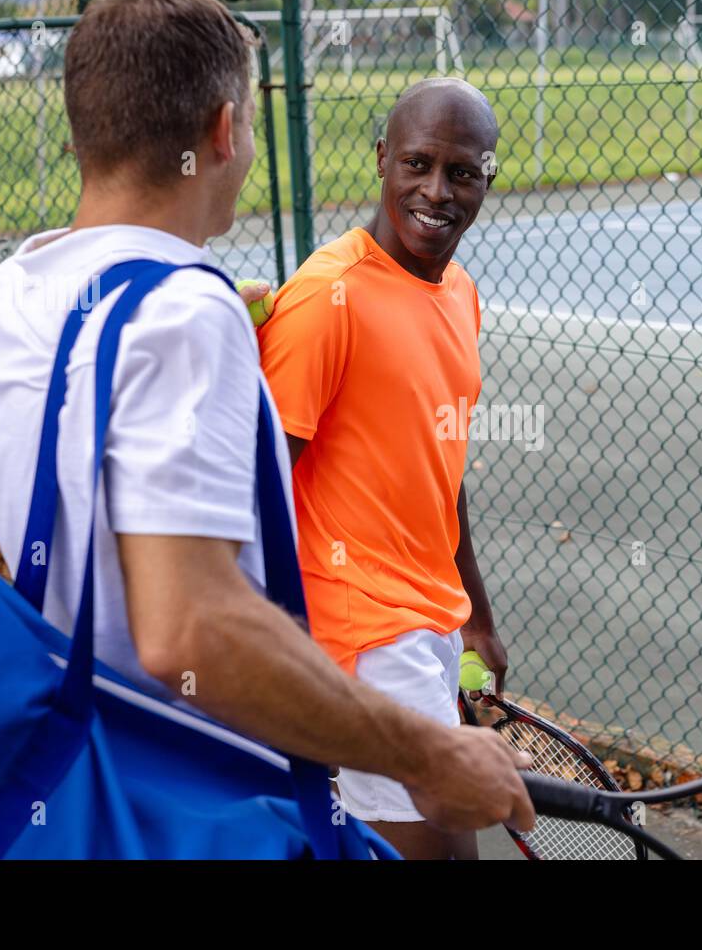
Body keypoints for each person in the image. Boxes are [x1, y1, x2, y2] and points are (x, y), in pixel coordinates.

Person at [0, 0, 532, 851]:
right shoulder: (184, 319)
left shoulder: (19, 291)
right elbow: (190, 630)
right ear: (225, 131)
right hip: (192, 774)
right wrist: (429, 749)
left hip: (86, 753)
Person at [253, 77, 507, 859]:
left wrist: (475, 612)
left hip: (427, 619)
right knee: (442, 851)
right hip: (364, 632)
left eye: (462, 172)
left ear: (487, 179)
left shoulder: (457, 291)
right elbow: (260, 492)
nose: (437, 191)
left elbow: (439, 460)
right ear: (381, 160)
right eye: (418, 164)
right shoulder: (324, 299)